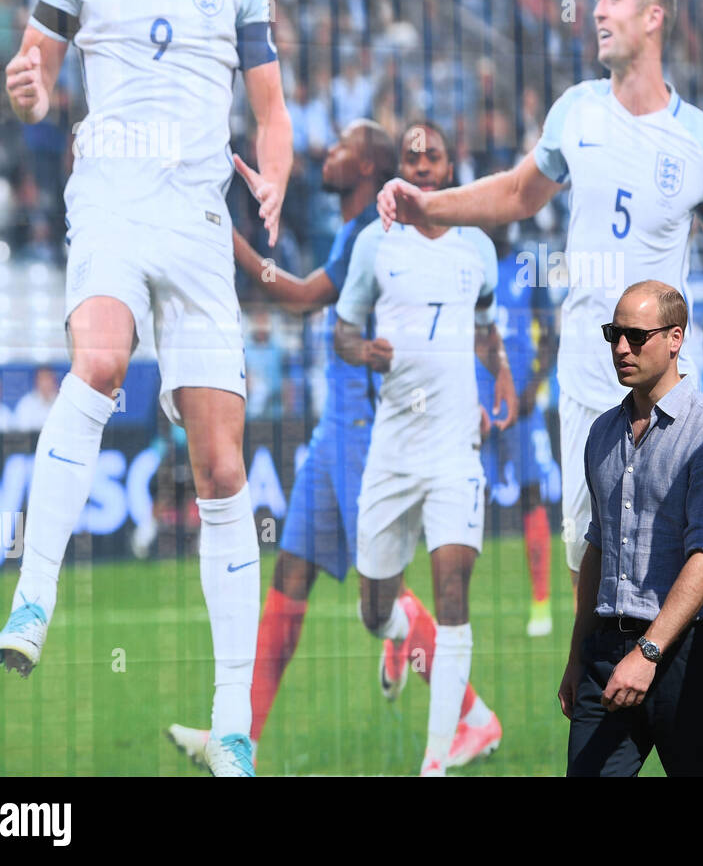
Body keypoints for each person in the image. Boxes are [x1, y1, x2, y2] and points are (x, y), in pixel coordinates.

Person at [0, 0, 293, 778]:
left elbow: (271, 108)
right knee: (104, 359)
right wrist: (31, 88)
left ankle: (232, 728)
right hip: (112, 192)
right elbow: (34, 83)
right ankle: (34, 596)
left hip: (202, 218)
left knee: (222, 471)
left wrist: (279, 175)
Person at [377, 0, 703, 595]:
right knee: (590, 570)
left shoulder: (700, 144)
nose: (596, 10)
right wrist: (429, 206)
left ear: (653, 17)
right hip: (586, 385)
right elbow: (515, 194)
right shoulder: (577, 112)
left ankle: (664, 688)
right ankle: (602, 692)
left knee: (670, 568)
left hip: (668, 388)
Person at [166, 120, 501, 771]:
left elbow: (291, 298)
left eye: (345, 144)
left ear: (372, 168)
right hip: (331, 430)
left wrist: (220, 231)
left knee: (387, 593)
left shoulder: (376, 236)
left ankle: (472, 717)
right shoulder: (357, 234)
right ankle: (241, 737)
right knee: (289, 576)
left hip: (368, 431)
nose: (330, 150)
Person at [335, 121, 515, 777]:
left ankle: (436, 761)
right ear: (400, 169)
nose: (422, 164)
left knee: (453, 589)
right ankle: (398, 635)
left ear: (449, 164)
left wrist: (501, 373)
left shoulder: (477, 246)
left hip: (453, 449)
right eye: (411, 157)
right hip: (392, 449)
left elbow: (487, 327)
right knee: (373, 608)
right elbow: (344, 331)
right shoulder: (374, 243)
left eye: (433, 155)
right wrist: (363, 352)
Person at [559, 280, 703, 777]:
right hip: (607, 649)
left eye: (636, 336)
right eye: (613, 334)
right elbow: (597, 548)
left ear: (675, 339)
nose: (621, 347)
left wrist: (648, 652)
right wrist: (578, 656)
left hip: (692, 653)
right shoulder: (601, 432)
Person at [475, 225, 559, 637]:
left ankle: (540, 603)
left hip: (521, 402)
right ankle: (458, 606)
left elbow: (552, 337)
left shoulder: (530, 266)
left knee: (531, 495)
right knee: (462, 495)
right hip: (475, 400)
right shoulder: (469, 260)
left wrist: (532, 387)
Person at [13, 367, 61, 433]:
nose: (45, 383)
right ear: (36, 381)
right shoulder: (25, 404)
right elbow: (21, 434)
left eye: (48, 379)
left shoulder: (62, 402)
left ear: (54, 381)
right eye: (42, 379)